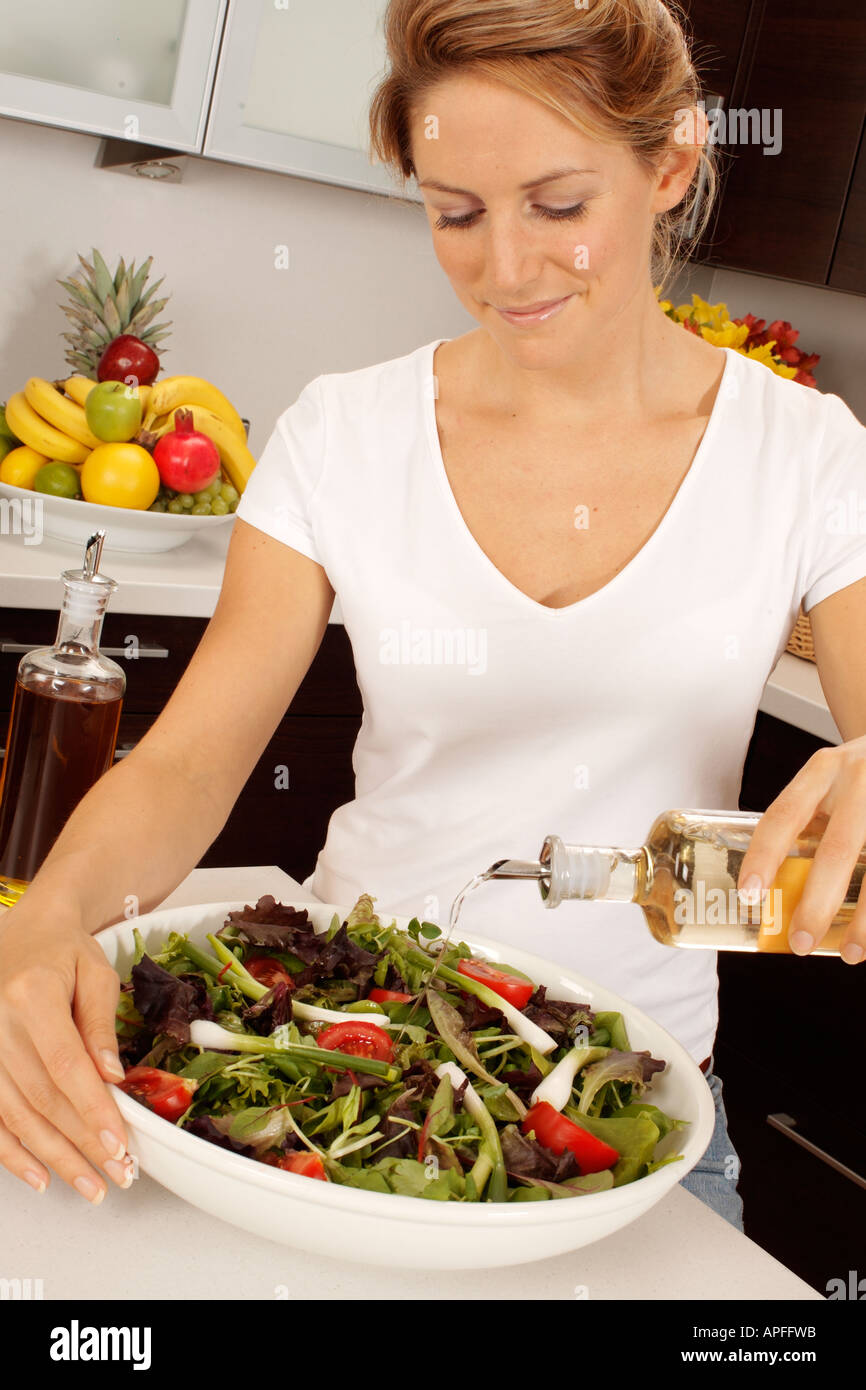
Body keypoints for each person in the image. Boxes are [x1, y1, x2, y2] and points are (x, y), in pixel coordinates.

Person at [0, 0, 864, 1230]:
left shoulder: (808, 457)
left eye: (556, 206)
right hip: (334, 1073)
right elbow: (189, 763)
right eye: (453, 210)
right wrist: (43, 921)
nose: (501, 267)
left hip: (614, 1127)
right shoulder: (343, 434)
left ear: (668, 163)